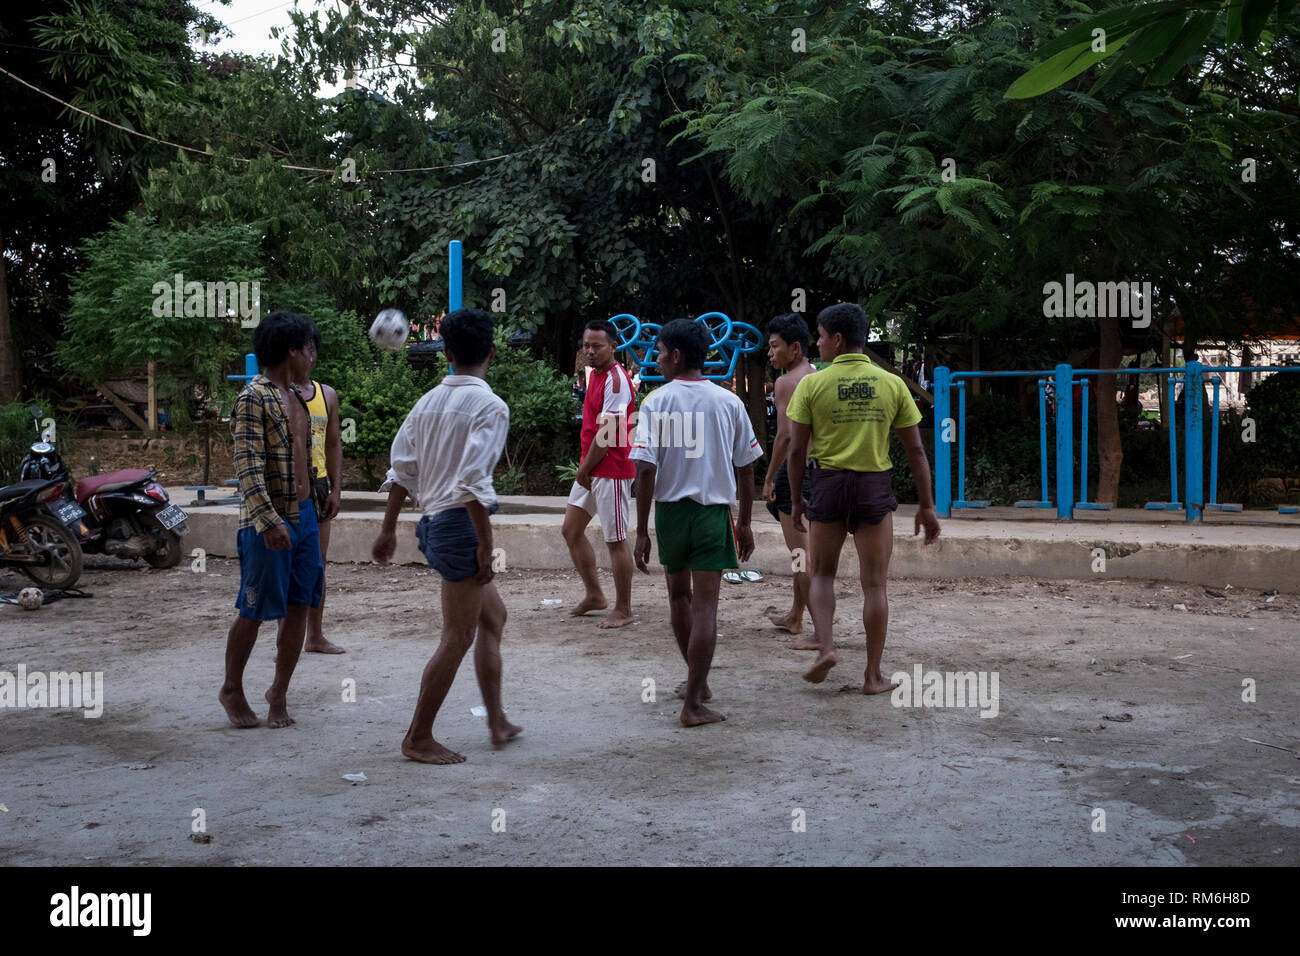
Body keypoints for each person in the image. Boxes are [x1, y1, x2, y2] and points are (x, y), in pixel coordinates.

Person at [371, 308, 522, 764]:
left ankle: (496, 720)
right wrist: (485, 542)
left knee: (493, 619)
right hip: (461, 526)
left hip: (434, 524)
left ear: (447, 354)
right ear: (491, 352)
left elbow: (402, 471)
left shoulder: (426, 403)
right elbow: (474, 483)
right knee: (457, 636)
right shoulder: (490, 406)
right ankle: (418, 736)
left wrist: (387, 530)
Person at [786, 302, 941, 692]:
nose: (817, 345)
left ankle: (826, 647)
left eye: (820, 337)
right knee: (875, 585)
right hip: (874, 487)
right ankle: (873, 675)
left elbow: (795, 452)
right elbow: (917, 453)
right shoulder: (891, 383)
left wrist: (796, 500)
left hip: (828, 485)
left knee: (822, 573)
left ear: (837, 339)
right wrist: (926, 506)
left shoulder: (812, 384)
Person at [631, 319, 762, 727]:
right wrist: (743, 521)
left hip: (671, 513)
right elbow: (746, 471)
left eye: (659, 351)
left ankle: (696, 685)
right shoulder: (728, 402)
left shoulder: (655, 401)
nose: (656, 357)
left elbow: (645, 471)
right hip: (711, 512)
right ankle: (694, 699)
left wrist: (641, 529)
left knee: (678, 599)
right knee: (707, 606)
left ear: (676, 355)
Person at [219, 311, 325, 729]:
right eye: (309, 349)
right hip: (268, 522)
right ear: (291, 351)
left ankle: (278, 692)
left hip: (305, 518)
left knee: (300, 606)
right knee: (253, 608)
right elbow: (248, 467)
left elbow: (303, 460)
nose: (313, 358)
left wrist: (320, 497)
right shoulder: (253, 397)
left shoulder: (299, 397)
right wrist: (268, 520)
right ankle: (231, 687)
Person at [563, 319, 637, 628]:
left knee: (615, 540)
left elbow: (607, 434)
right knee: (570, 530)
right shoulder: (596, 375)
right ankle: (595, 595)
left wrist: (584, 468)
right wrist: (586, 468)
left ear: (613, 347)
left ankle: (623, 609)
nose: (590, 351)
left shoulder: (616, 380)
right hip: (593, 466)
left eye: (597, 346)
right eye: (586, 345)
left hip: (612, 469)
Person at [279, 325, 344, 653]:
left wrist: (336, 489)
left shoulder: (326, 394)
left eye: (314, 350)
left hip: (317, 487)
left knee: (317, 565)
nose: (311, 356)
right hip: (287, 489)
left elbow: (334, 444)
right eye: (306, 350)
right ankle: (285, 637)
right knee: (285, 566)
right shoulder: (276, 394)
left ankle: (314, 635)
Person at [761, 313, 817, 643]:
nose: (770, 353)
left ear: (794, 348)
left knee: (800, 555)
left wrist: (769, 478)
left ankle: (817, 628)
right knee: (805, 553)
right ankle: (796, 614)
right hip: (821, 471)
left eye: (774, 346)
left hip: (795, 474)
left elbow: (784, 436)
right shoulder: (819, 377)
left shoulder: (787, 382)